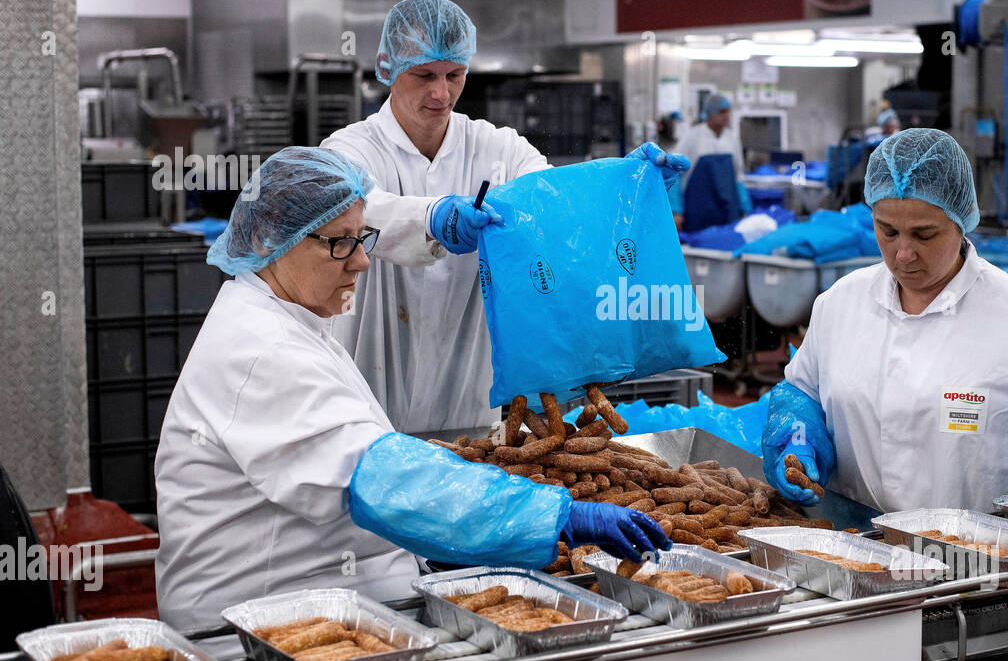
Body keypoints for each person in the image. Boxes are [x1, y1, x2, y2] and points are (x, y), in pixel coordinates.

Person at [153, 148, 668, 631]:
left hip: (322, 591)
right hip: (258, 621)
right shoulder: (262, 351)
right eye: (339, 242)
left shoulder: (289, 315)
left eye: (362, 238)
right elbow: (382, 481)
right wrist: (558, 515)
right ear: (268, 242)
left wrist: (620, 190)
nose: (360, 262)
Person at [323, 0, 686, 433]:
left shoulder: (498, 148)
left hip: (467, 387)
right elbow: (357, 210)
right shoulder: (350, 148)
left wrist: (625, 190)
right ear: (387, 68)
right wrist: (432, 218)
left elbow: (556, 205)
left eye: (454, 75)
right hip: (370, 381)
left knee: (466, 473)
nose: (442, 92)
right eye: (424, 75)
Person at [761, 129, 1008, 517]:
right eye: (888, 231)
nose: (904, 253)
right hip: (857, 545)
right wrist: (799, 439)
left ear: (962, 222)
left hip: (977, 560)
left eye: (924, 234)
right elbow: (802, 395)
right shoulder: (840, 305)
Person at [672, 93, 751, 229]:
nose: (726, 116)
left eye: (728, 112)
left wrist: (745, 206)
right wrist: (676, 210)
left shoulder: (732, 139)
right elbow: (674, 171)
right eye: (721, 112)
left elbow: (738, 176)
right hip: (698, 209)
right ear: (710, 113)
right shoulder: (692, 137)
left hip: (727, 209)